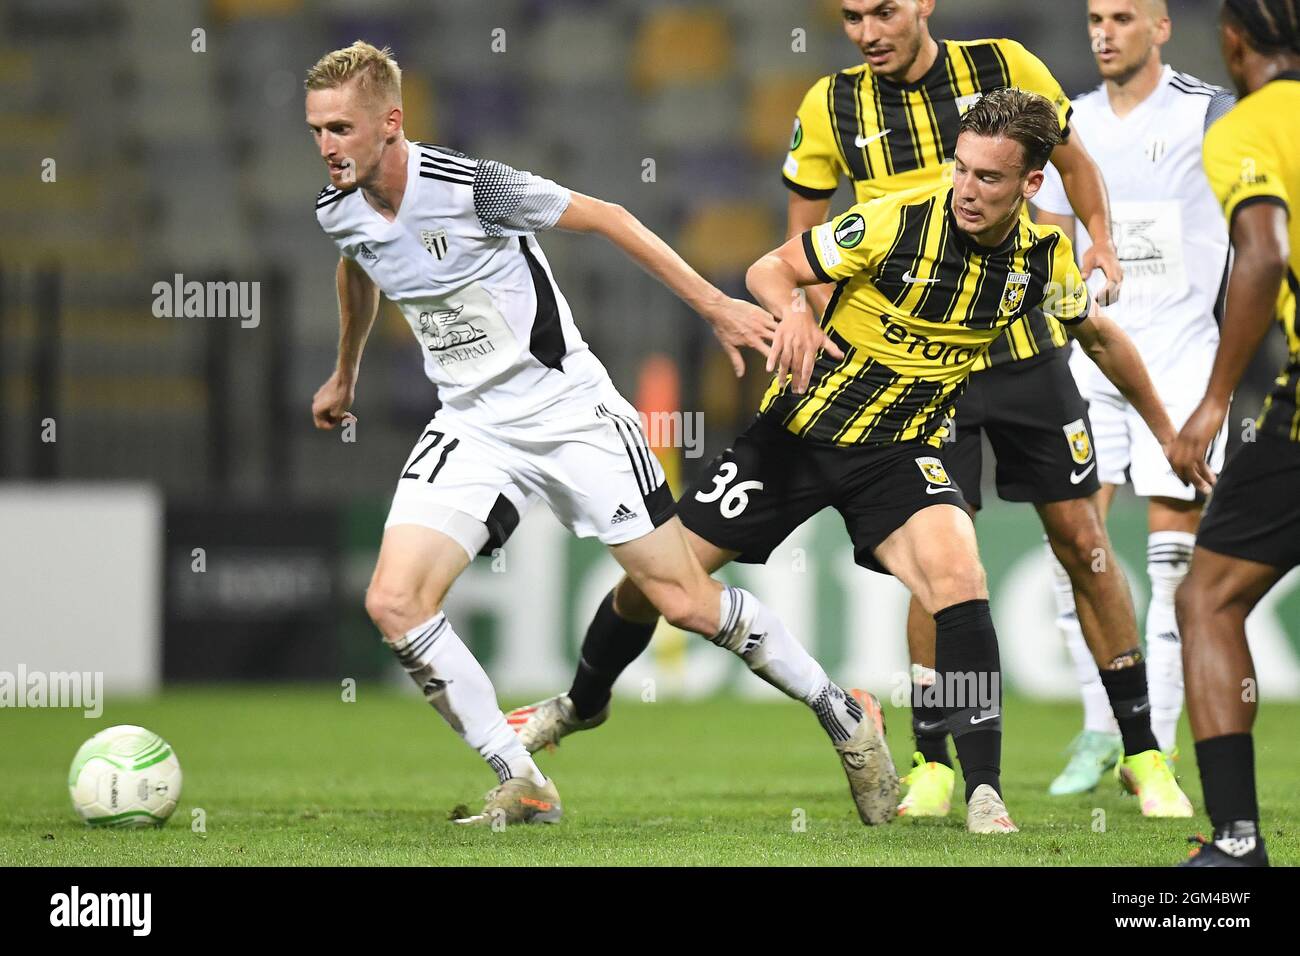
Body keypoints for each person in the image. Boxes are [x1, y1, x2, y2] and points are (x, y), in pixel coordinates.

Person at [510, 88, 1213, 834]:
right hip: (796, 439)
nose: (967, 191)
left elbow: (1099, 339)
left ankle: (983, 790)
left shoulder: (1043, 258)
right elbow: (770, 269)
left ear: (1032, 185)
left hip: (901, 453)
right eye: (962, 169)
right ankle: (583, 702)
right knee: (651, 582)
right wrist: (797, 314)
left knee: (960, 579)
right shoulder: (897, 219)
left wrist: (1167, 426)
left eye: (990, 178)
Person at [305, 40, 897, 827]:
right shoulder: (337, 207)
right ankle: (522, 781)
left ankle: (842, 711)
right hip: (473, 426)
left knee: (682, 600)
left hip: (570, 413)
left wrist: (715, 304)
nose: (326, 146)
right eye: (316, 129)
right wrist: (344, 371)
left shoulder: (473, 186)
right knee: (393, 601)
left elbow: (609, 217)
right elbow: (358, 264)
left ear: (391, 122)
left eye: (341, 128)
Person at [1030, 0, 1236, 796]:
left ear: (1160, 27)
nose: (1102, 31)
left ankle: (1163, 743)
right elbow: (1049, 240)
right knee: (1073, 548)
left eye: (1121, 16)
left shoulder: (1208, 114)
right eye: (1092, 18)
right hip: (1089, 359)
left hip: (1183, 361)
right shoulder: (1069, 120)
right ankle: (1100, 728)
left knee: (1171, 564)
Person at [1168, 0, 1300, 868]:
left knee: (1207, 598)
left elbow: (1261, 252)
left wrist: (1214, 400)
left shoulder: (1248, 126)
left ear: (1232, 37)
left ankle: (1238, 845)